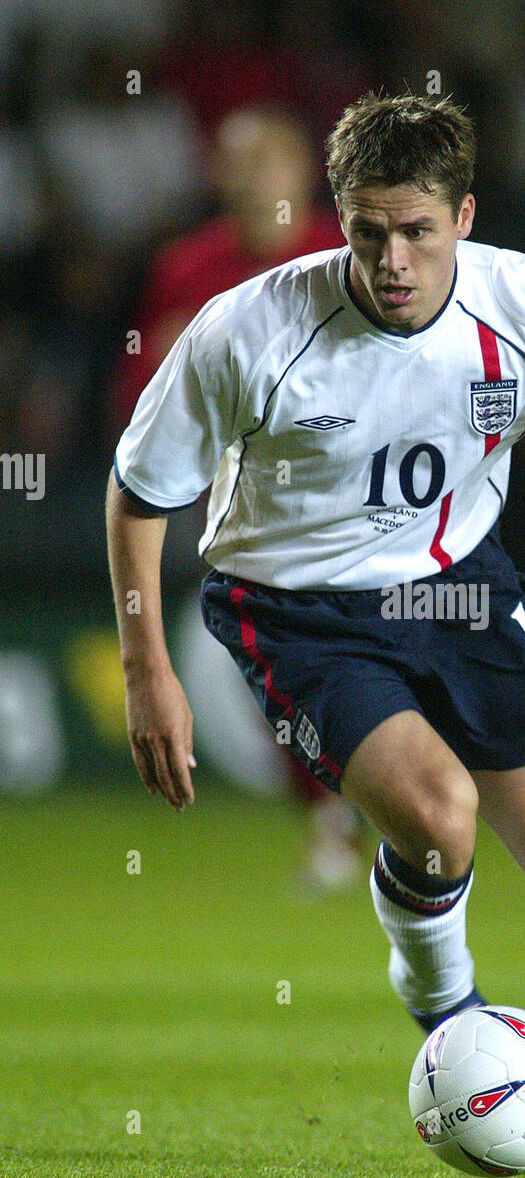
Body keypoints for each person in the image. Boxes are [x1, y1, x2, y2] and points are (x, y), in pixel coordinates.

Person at [107, 93, 525, 1178]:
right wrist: (147, 671)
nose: (391, 259)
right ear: (336, 217)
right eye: (367, 230)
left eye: (417, 230)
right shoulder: (248, 329)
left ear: (463, 216)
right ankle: (443, 999)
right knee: (439, 817)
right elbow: (138, 492)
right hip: (295, 604)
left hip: (460, 589)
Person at [113, 105, 366, 890]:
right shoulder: (188, 266)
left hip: (358, 493)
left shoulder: (345, 250)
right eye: (238, 161)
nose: (255, 177)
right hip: (244, 502)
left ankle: (378, 805)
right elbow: (141, 395)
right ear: (217, 177)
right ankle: (337, 814)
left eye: (269, 159)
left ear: (303, 169)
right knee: (279, 668)